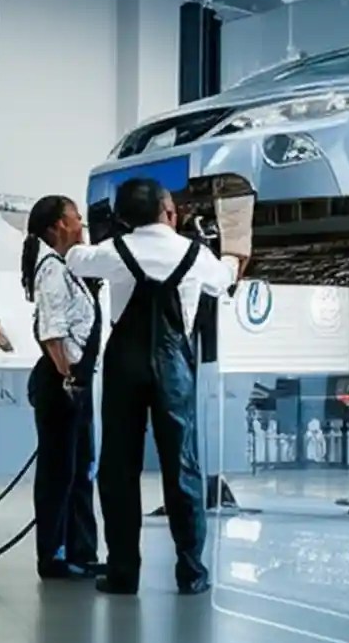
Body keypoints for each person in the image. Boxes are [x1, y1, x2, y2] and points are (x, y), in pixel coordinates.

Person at [65, 177, 249, 596]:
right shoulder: (196, 254)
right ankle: (192, 573)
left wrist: (86, 231)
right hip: (174, 368)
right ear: (171, 212)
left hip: (124, 366)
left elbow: (75, 259)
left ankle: (123, 573)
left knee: (118, 470)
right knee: (183, 468)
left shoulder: (113, 251)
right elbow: (225, 278)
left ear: (124, 218)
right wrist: (237, 255)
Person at [20, 195, 104, 581]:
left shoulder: (69, 268)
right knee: (59, 473)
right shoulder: (51, 269)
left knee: (82, 468)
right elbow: (51, 332)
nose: (81, 224)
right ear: (57, 226)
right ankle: (53, 557)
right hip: (61, 384)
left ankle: (82, 551)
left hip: (76, 382)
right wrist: (68, 378)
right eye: (76, 218)